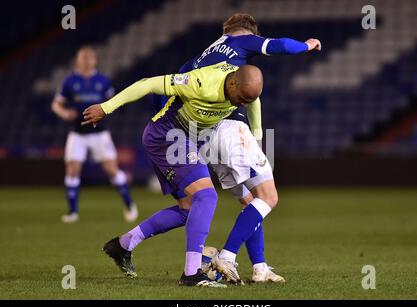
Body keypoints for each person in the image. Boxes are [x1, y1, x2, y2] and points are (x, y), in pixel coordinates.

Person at [146, 13, 322, 283]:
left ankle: (260, 267)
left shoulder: (202, 58)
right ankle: (226, 256)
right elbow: (281, 46)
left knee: (250, 203)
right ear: (249, 31)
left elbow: (167, 88)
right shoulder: (241, 42)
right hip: (231, 130)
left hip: (208, 136)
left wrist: (169, 123)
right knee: (268, 197)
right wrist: (307, 45)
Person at [82, 62, 264, 287]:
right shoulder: (200, 82)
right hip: (167, 136)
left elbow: (253, 100)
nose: (243, 105)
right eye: (242, 98)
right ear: (233, 82)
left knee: (190, 210)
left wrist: (256, 141)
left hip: (188, 139)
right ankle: (191, 274)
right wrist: (106, 107)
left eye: (249, 100)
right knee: (206, 196)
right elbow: (147, 84)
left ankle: (123, 245)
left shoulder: (244, 88)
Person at [51, 46, 138, 224]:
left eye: (89, 57)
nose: (86, 60)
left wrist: (105, 112)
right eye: (83, 57)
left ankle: (129, 204)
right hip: (77, 133)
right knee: (73, 171)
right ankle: (73, 212)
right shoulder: (70, 81)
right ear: (77, 60)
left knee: (112, 170)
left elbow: (113, 103)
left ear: (95, 60)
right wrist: (64, 113)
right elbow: (56, 104)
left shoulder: (103, 81)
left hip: (99, 133)